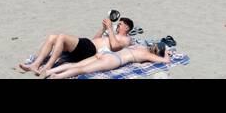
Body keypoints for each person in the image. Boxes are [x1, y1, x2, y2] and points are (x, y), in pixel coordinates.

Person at [43, 40, 173, 80]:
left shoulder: (140, 46)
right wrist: (167, 53)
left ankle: (50, 71)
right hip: (114, 60)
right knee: (81, 69)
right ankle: (57, 76)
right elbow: (166, 61)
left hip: (107, 53)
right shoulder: (147, 55)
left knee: (75, 64)